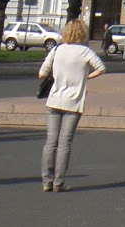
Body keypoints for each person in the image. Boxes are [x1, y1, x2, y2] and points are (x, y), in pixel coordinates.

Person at [37, 19, 104, 191]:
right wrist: (86, 77)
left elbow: (41, 73)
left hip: (54, 100)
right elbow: (101, 68)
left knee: (51, 142)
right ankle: (59, 183)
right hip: (74, 102)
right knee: (65, 143)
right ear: (83, 33)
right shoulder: (85, 51)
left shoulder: (57, 50)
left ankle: (47, 181)